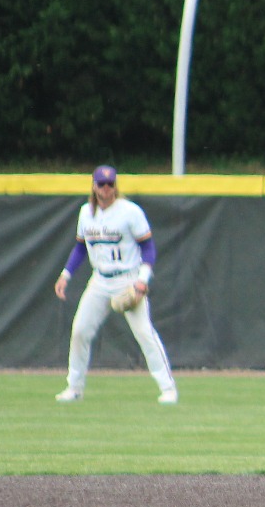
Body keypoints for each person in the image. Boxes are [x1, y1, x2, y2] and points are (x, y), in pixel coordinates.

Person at [52, 164, 177, 404]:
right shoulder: (85, 213)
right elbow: (80, 247)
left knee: (144, 333)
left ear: (115, 186)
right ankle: (74, 388)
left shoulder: (130, 211)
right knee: (79, 331)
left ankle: (168, 388)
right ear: (94, 186)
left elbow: (148, 247)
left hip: (128, 279)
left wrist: (142, 281)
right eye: (102, 184)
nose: (106, 189)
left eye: (110, 184)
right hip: (100, 280)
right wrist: (66, 275)